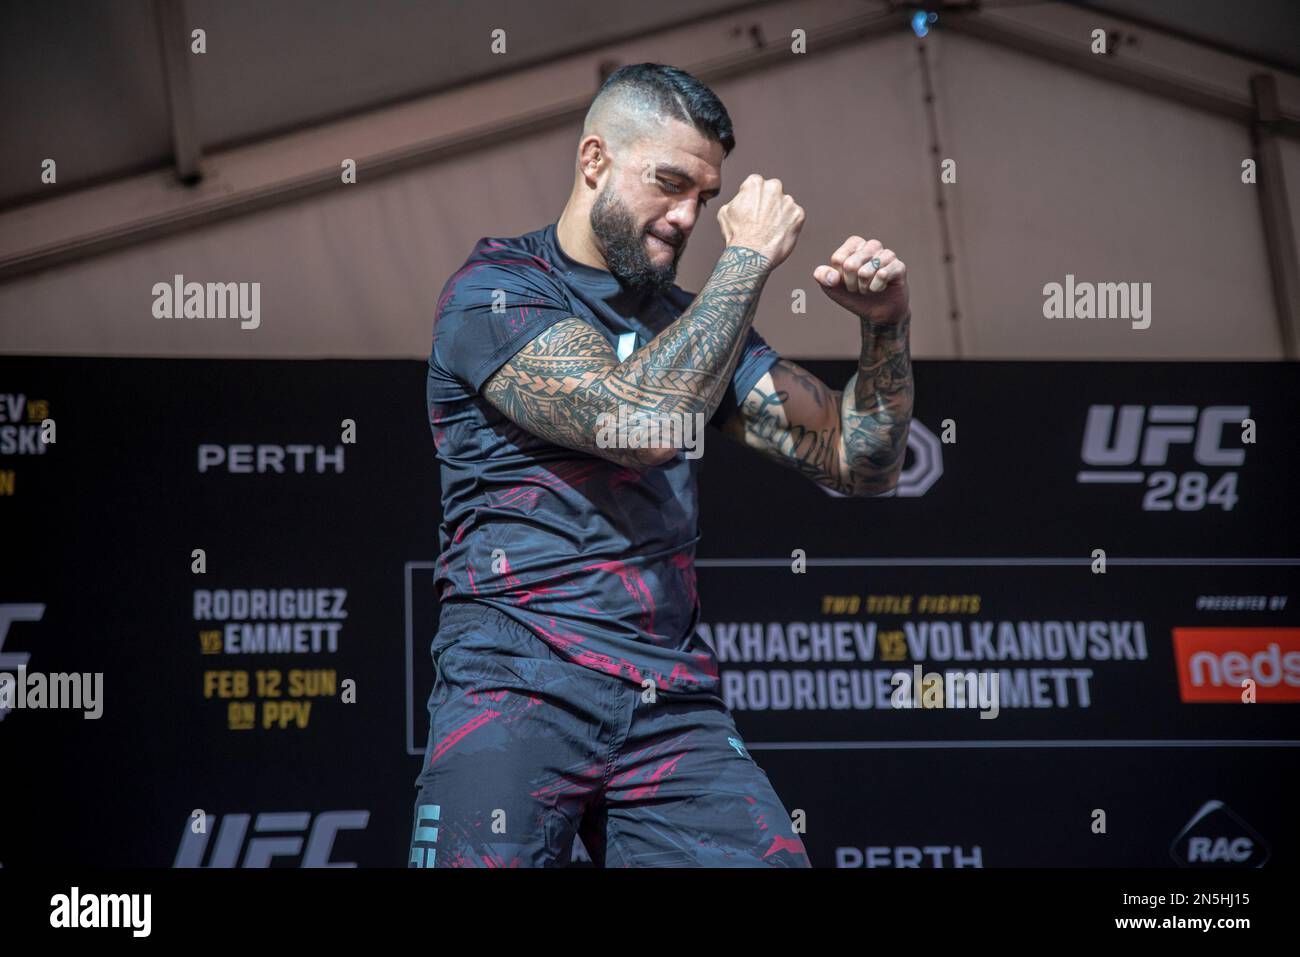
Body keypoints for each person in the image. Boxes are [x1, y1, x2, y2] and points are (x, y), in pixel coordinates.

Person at [409, 62, 914, 868]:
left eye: (706, 200)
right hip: (514, 680)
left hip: (666, 702)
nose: (687, 218)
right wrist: (745, 261)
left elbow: (861, 460)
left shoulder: (689, 325)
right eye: (670, 184)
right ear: (595, 161)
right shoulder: (496, 291)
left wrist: (885, 325)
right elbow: (638, 420)